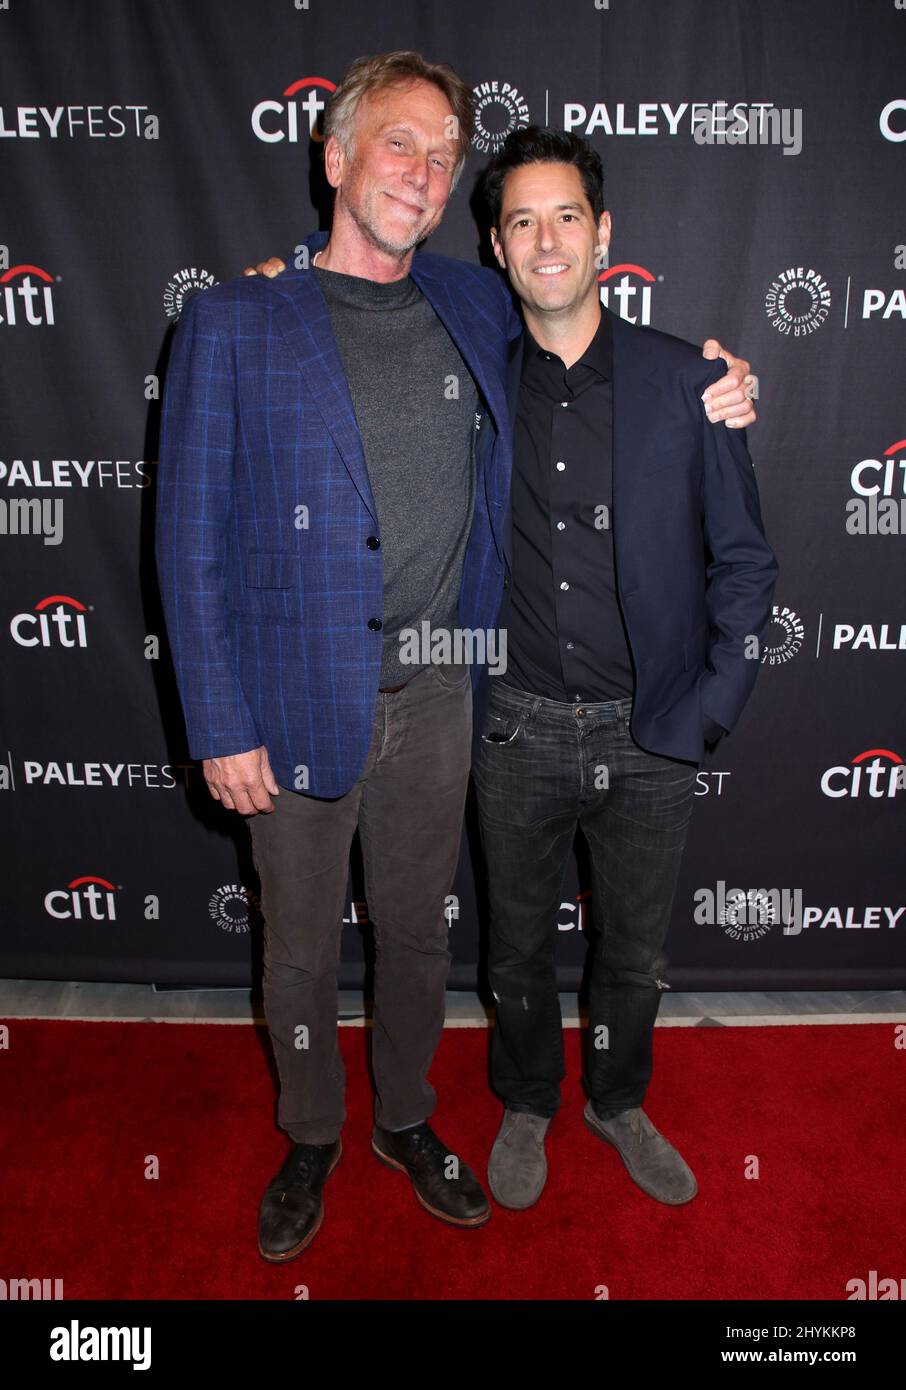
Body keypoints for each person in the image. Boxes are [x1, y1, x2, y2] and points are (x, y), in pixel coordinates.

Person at [157, 50, 757, 1264]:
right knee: (300, 943)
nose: (424, 173)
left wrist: (723, 374)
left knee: (425, 936)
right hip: (288, 699)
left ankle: (414, 1119)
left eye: (443, 156)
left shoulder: (473, 304)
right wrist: (218, 720)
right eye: (399, 145)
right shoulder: (232, 319)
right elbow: (187, 541)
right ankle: (313, 1135)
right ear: (333, 158)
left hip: (445, 688)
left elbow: (586, 328)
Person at [474, 128, 778, 1212]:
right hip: (511, 722)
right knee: (514, 948)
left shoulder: (689, 383)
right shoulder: (467, 377)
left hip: (653, 728)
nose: (546, 239)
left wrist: (711, 709)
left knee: (632, 949)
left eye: (566, 217)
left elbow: (745, 562)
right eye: (521, 220)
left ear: (605, 235)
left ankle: (616, 1096)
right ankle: (525, 1098)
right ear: (498, 248)